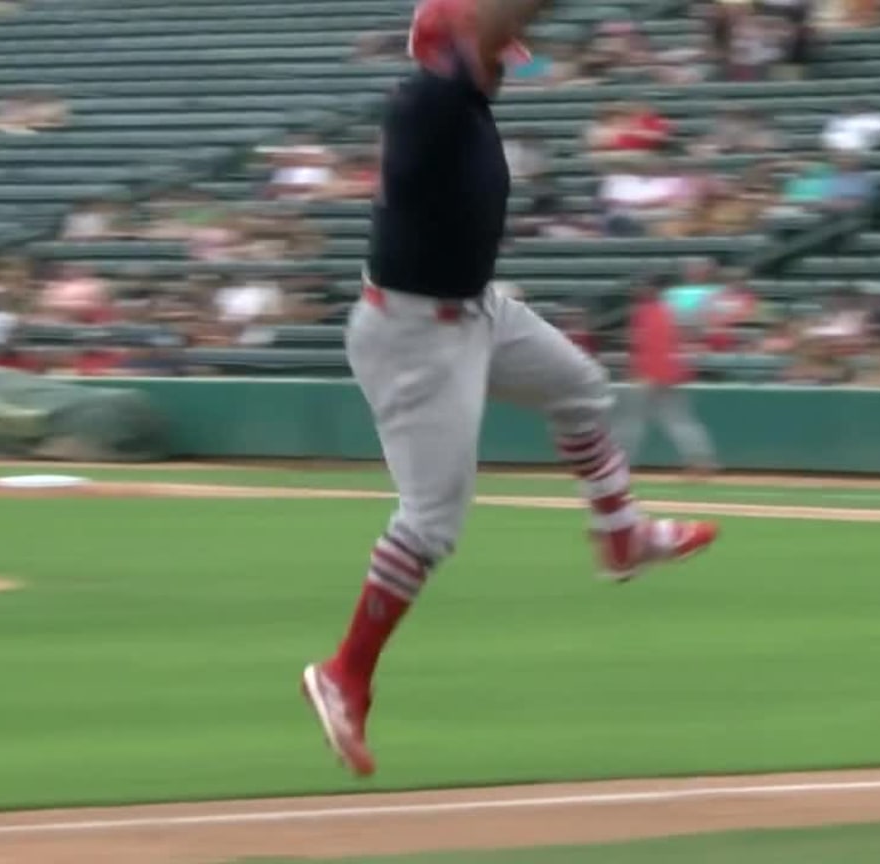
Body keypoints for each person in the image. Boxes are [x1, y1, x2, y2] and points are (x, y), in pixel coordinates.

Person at [300, 0, 720, 779]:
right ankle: (345, 672)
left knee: (581, 389)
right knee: (431, 524)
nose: (506, 65)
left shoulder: (456, 106)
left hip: (474, 310)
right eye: (498, 53)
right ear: (453, 48)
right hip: (416, 334)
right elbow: (483, 27)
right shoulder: (428, 101)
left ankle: (620, 536)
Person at [617, 276, 719, 475]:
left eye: (642, 289)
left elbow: (650, 346)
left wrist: (644, 374)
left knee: (632, 420)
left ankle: (619, 463)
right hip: (669, 374)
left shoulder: (646, 312)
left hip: (651, 375)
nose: (637, 292)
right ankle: (701, 460)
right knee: (678, 420)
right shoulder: (666, 310)